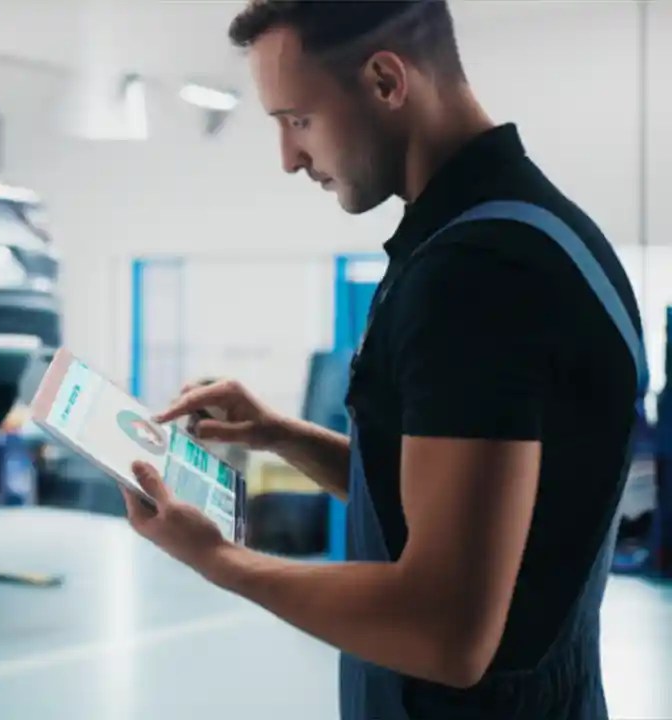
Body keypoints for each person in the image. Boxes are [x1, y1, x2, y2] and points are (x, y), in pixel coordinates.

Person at [120, 2, 647, 719]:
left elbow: (445, 628)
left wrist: (219, 559)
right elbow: (453, 504)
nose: (288, 158)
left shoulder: (475, 274)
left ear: (385, 80)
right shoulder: (542, 230)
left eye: (297, 120)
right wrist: (281, 434)